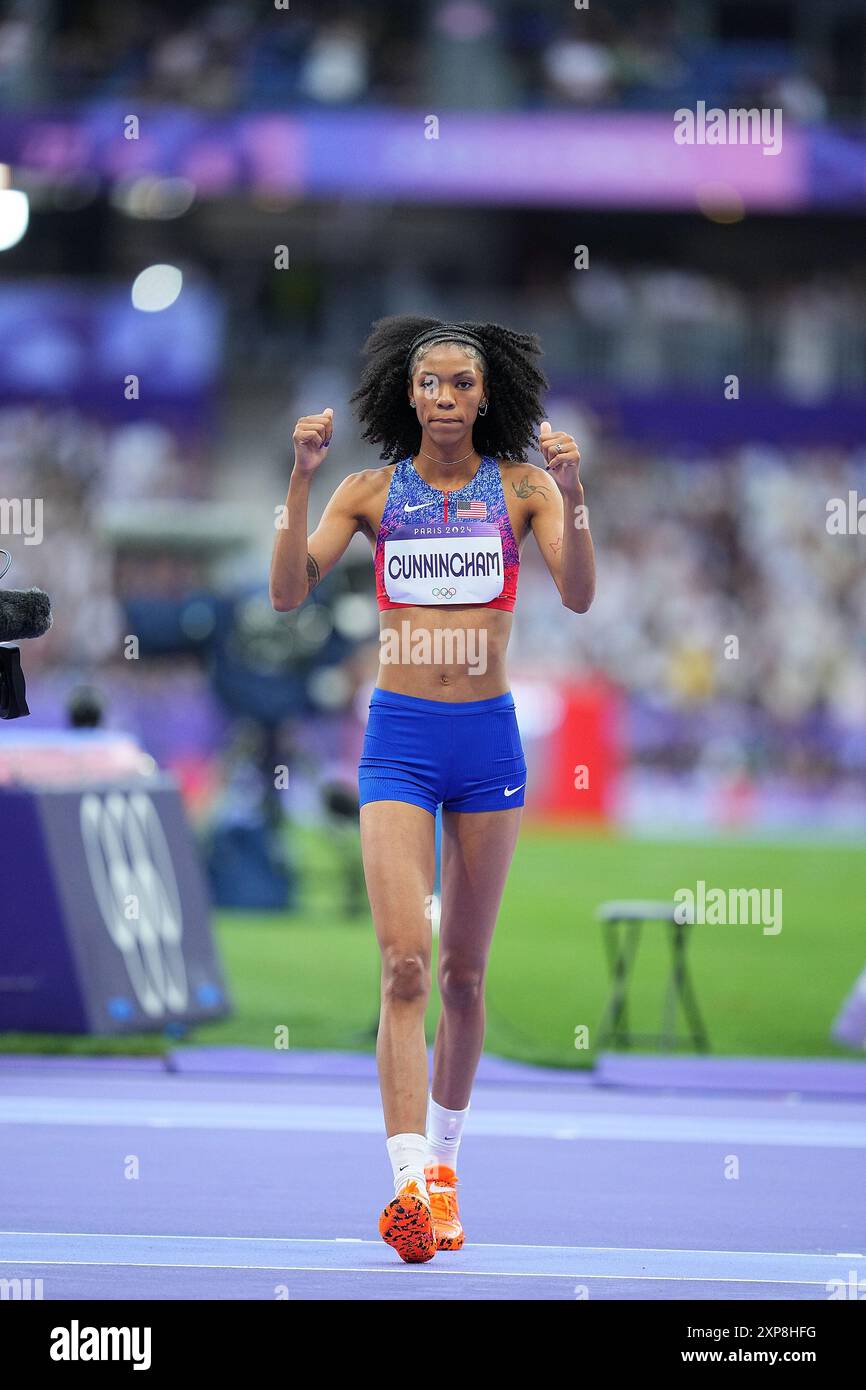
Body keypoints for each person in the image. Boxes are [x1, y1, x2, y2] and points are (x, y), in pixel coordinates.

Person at [270, 315, 595, 1262]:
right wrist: (297, 479)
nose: (446, 398)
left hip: (487, 744)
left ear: (484, 395)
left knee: (463, 973)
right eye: (431, 385)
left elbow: (576, 595)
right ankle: (408, 1185)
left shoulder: (525, 488)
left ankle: (447, 1169)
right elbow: (288, 592)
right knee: (405, 965)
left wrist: (577, 498)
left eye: (462, 384)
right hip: (401, 743)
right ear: (408, 397)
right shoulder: (369, 491)